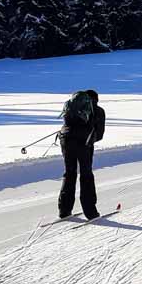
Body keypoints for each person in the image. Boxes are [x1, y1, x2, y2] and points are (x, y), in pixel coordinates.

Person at [57, 89, 106, 219]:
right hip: (83, 143)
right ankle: (91, 213)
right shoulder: (98, 110)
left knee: (69, 173)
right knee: (86, 175)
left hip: (65, 140)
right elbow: (99, 135)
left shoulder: (72, 108)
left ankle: (64, 210)